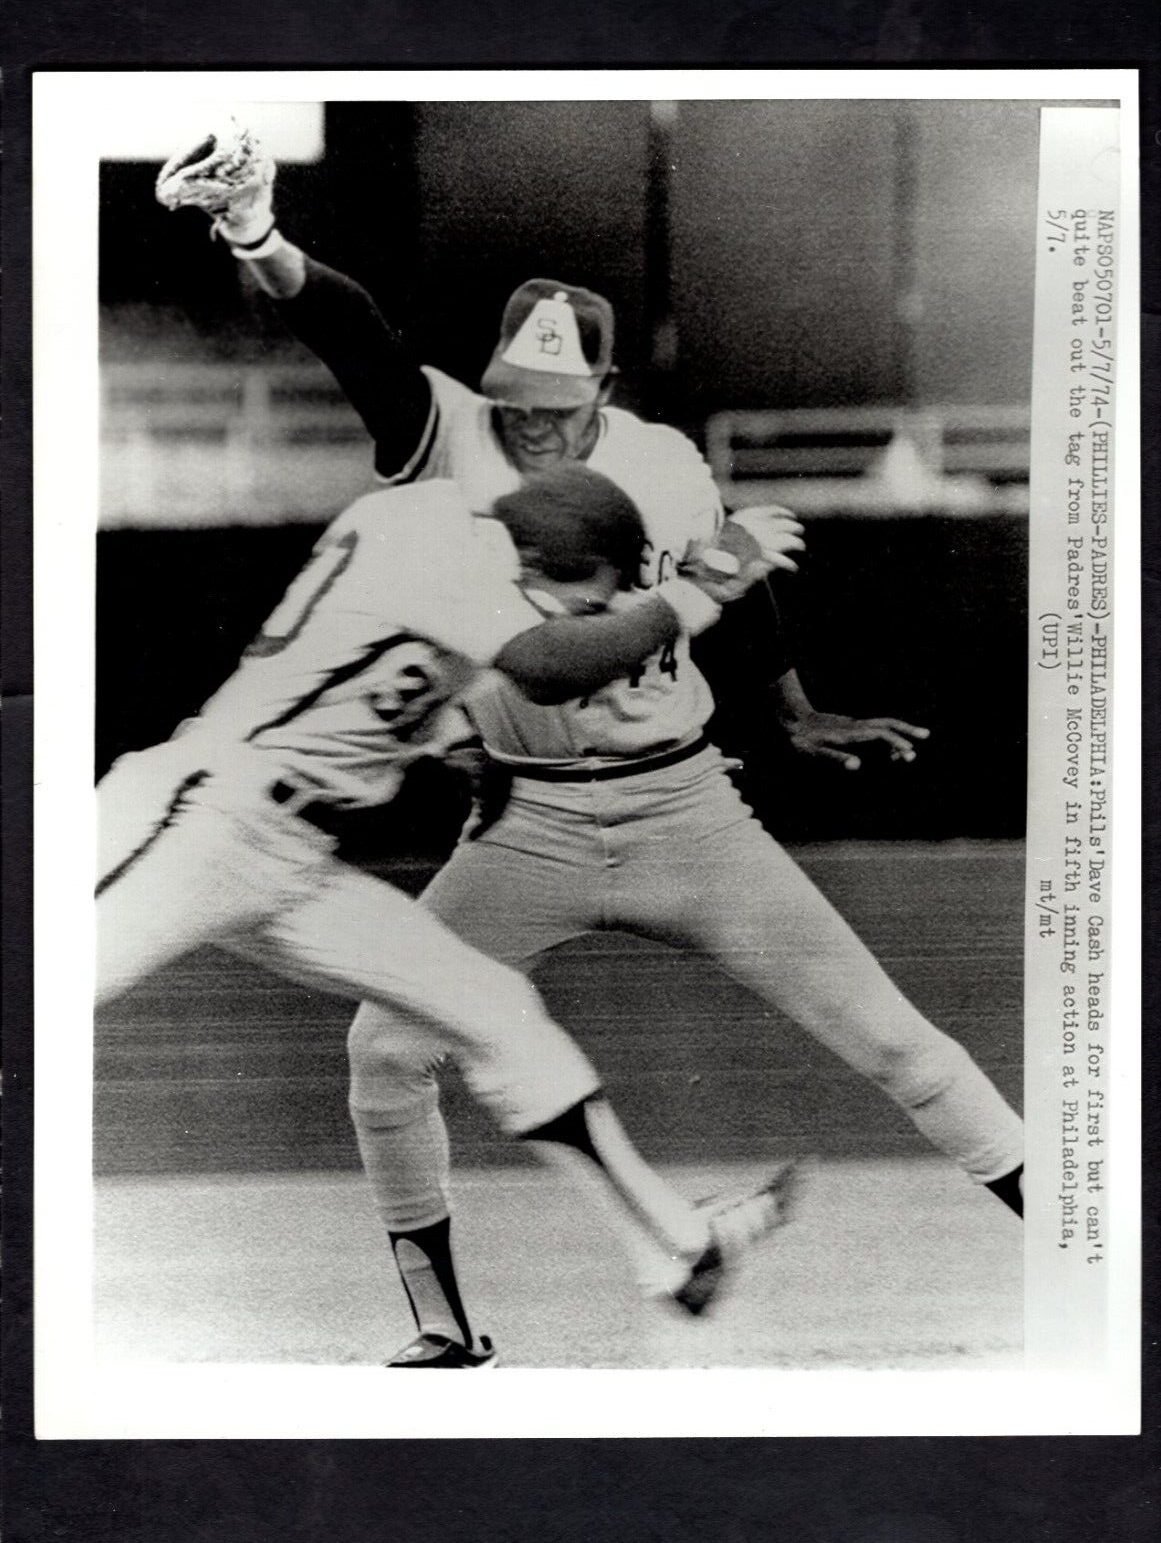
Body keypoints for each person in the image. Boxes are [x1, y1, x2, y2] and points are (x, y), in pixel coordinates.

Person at [154, 125, 1025, 1371]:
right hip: (526, 828)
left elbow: (738, 587)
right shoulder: (447, 430)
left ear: (606, 390)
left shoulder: (665, 464)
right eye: (517, 400)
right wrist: (258, 234)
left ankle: (1095, 1250)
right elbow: (354, 337)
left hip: (688, 814)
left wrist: (790, 708)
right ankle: (444, 1325)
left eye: (561, 408)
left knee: (895, 1040)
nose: (534, 427)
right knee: (385, 1051)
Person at [98, 464, 806, 1367]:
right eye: (585, 599)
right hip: (197, 814)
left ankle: (676, 1250)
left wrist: (460, 745)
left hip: (287, 856)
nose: (587, 622)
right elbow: (549, 667)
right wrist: (706, 582)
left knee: (497, 1013)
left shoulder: (470, 561)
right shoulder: (442, 535)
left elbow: (430, 674)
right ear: (538, 557)